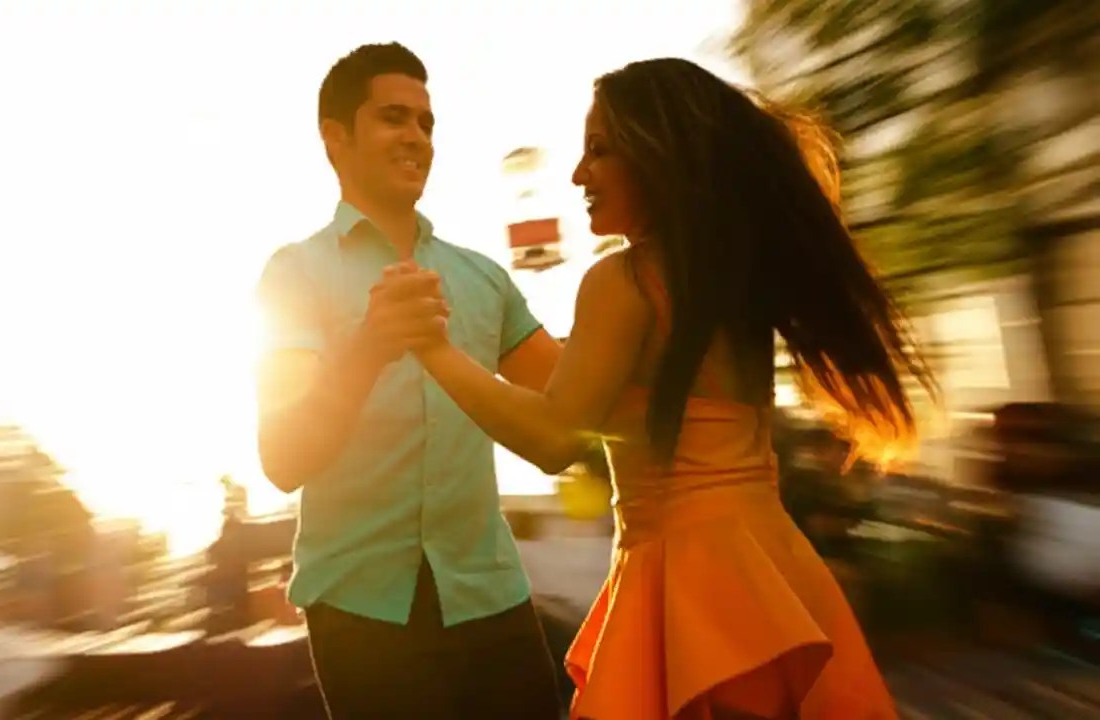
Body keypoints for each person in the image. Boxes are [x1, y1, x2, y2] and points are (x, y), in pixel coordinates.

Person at [385, 57, 936, 719]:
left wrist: (432, 349)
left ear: (658, 156)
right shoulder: (722, 284)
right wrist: (489, 332)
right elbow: (592, 391)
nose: (578, 174)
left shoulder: (623, 282)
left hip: (688, 581)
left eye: (599, 150)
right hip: (767, 566)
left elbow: (554, 437)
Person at [253, 42, 562, 719]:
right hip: (360, 613)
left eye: (426, 123)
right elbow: (282, 459)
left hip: (493, 600)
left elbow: (572, 406)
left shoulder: (484, 279)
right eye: (394, 117)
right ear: (335, 138)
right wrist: (368, 347)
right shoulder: (293, 275)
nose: (417, 137)